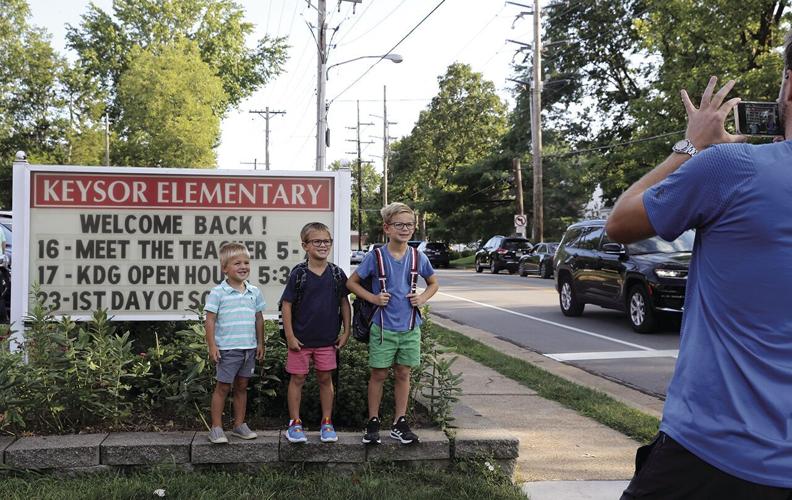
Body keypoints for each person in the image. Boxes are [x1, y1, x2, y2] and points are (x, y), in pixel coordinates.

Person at [606, 37, 792, 498]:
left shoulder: (732, 168)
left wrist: (691, 145)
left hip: (715, 453)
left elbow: (620, 222)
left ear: (789, 88)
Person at [347, 202, 439, 445]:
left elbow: (433, 283)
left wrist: (422, 298)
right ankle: (373, 421)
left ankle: (400, 421)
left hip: (410, 326)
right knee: (378, 373)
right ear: (387, 228)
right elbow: (352, 283)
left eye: (409, 225)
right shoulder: (375, 256)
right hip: (383, 326)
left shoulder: (418, 256)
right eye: (399, 225)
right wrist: (374, 298)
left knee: (404, 373)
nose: (405, 229)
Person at [280, 222, 351, 443]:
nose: (322, 245)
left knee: (325, 378)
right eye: (316, 241)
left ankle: (327, 422)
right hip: (300, 340)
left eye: (326, 241)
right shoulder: (299, 274)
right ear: (305, 245)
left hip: (327, 340)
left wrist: (346, 331)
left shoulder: (337, 273)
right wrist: (290, 335)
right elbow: (287, 304)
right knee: (298, 378)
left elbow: (344, 303)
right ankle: (295, 423)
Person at [204, 242, 265, 444]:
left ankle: (239, 425)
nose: (243, 266)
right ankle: (216, 428)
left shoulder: (254, 292)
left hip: (248, 348)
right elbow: (210, 319)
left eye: (246, 262)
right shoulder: (218, 292)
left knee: (242, 386)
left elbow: (259, 318)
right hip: (227, 349)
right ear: (225, 268)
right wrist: (212, 346)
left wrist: (260, 343)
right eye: (237, 263)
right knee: (223, 387)